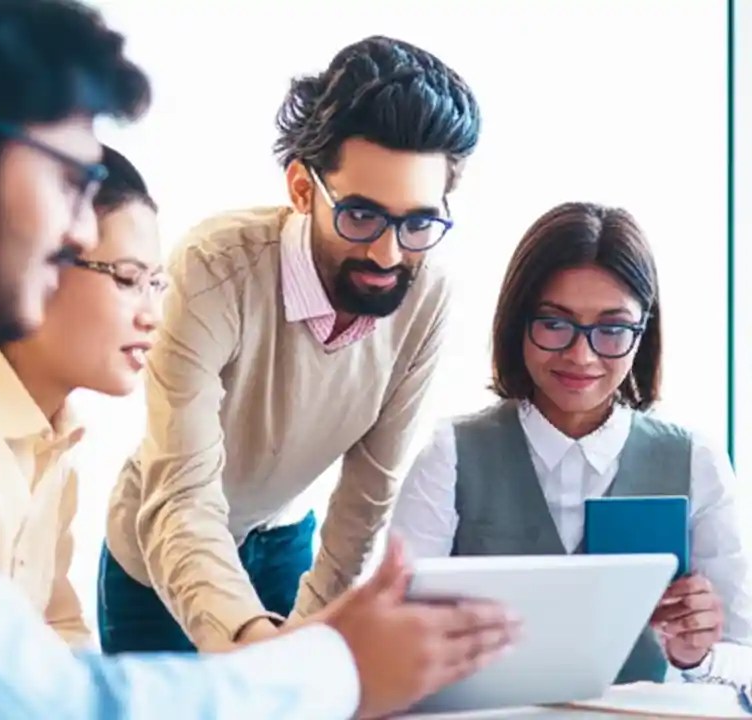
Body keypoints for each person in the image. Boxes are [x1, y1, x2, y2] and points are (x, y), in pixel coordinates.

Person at [0, 1, 513, 718]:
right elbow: (14, 696)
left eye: (418, 223)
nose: (83, 230)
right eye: (71, 182)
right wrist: (337, 670)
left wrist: (324, 652)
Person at [98, 35, 480, 653]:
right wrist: (246, 638)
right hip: (159, 555)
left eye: (417, 223)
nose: (388, 253)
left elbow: (367, 494)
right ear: (303, 190)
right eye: (361, 215)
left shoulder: (426, 295)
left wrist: (310, 639)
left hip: (284, 549)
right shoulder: (213, 269)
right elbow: (183, 497)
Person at [392, 202, 752, 690]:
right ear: (517, 322)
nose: (581, 354)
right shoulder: (453, 453)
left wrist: (696, 658)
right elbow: (390, 639)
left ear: (643, 334)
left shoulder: (694, 460)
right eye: (554, 323)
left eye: (612, 329)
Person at [0, 146, 164, 646]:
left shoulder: (57, 444)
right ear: (42, 258)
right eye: (129, 279)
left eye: (158, 284)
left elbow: (59, 628)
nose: (152, 314)